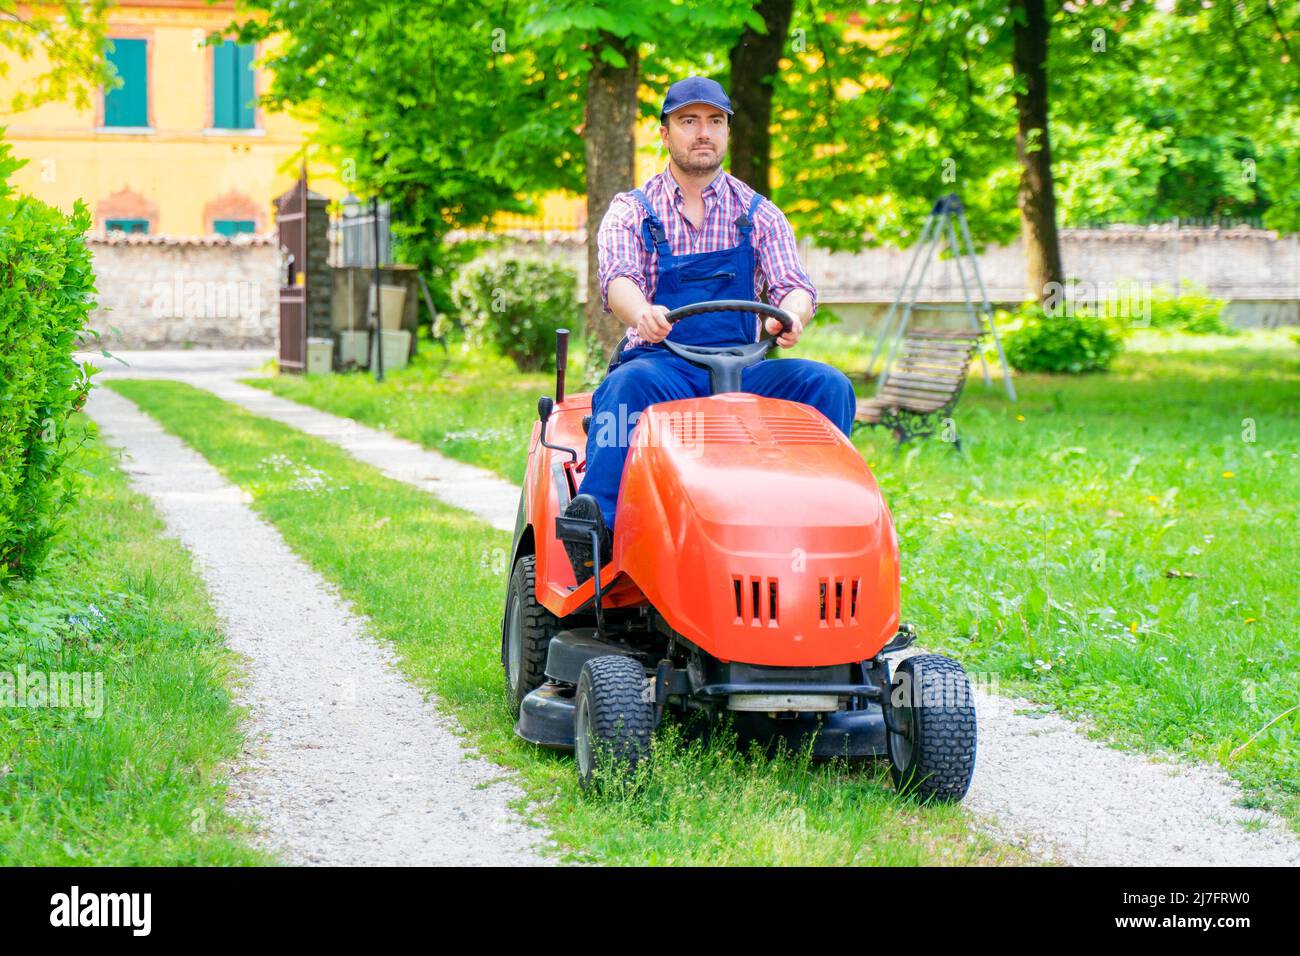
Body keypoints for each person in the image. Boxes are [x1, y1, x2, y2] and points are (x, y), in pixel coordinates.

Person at [563, 75, 856, 583]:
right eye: (689, 121)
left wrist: (789, 314)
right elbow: (618, 281)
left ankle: (825, 526)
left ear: (726, 131)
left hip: (744, 369)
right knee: (626, 388)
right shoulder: (633, 211)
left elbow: (794, 284)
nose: (703, 132)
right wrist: (642, 313)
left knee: (828, 385)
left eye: (715, 121)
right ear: (664, 133)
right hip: (663, 367)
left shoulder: (759, 213)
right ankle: (598, 537)